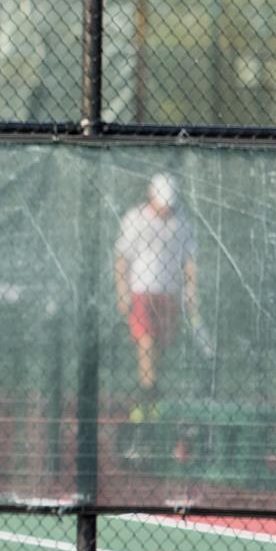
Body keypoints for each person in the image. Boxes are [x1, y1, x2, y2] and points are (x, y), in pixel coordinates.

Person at [114, 173, 199, 420]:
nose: (166, 211)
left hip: (170, 293)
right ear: (151, 197)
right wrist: (122, 292)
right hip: (141, 290)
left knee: (160, 344)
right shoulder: (136, 219)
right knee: (146, 340)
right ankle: (148, 396)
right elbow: (122, 258)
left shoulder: (181, 222)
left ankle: (151, 394)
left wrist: (191, 293)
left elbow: (190, 262)